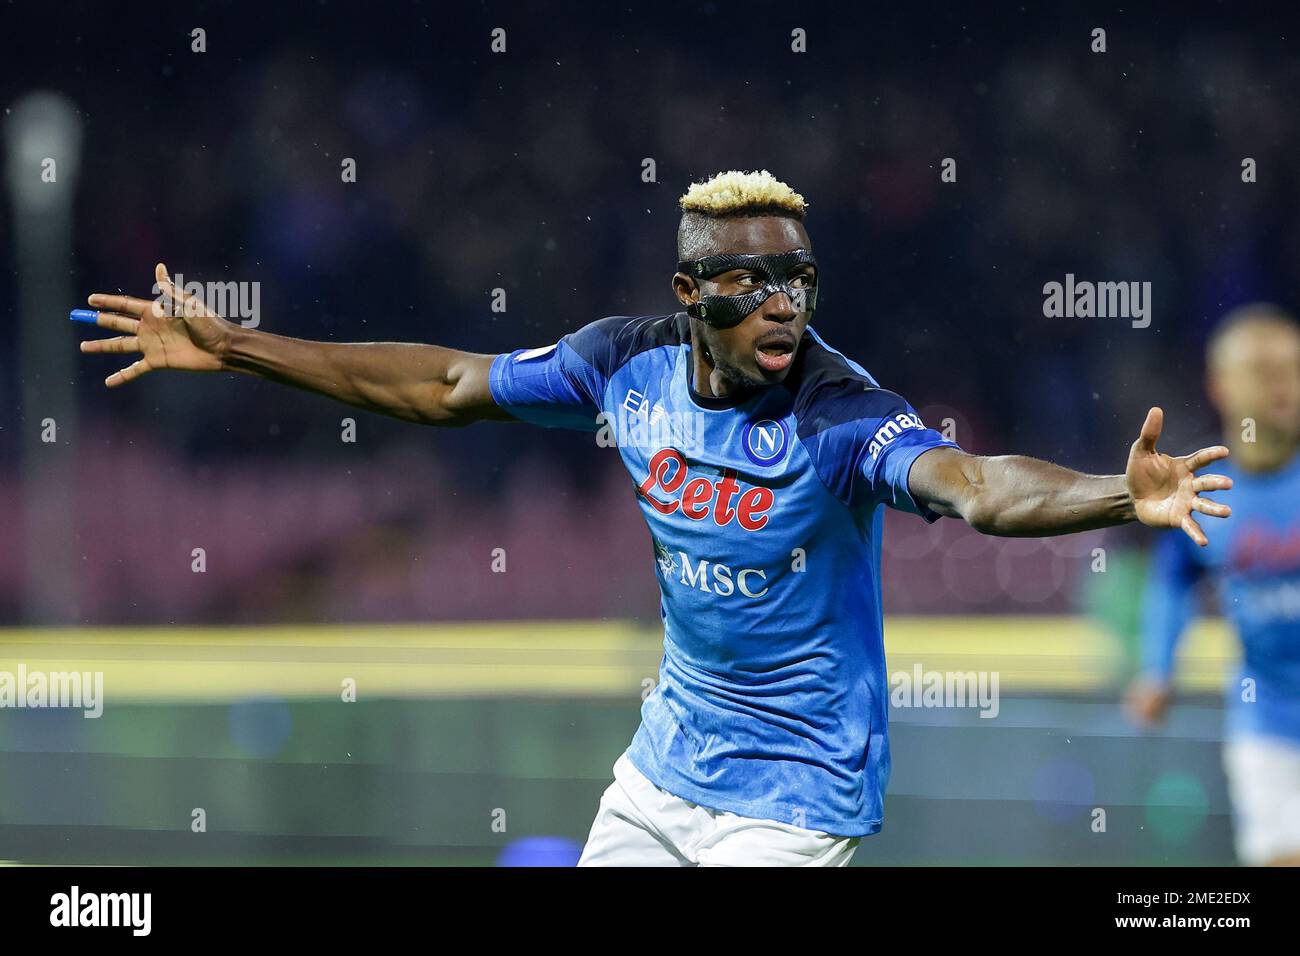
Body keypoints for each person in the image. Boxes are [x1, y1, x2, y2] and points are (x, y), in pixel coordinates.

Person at [75, 169, 1232, 866]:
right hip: (663, 767)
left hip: (796, 794)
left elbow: (977, 487)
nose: (783, 302)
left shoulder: (839, 412)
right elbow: (438, 387)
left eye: (800, 279)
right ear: (690, 296)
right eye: (754, 282)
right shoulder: (621, 364)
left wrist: (1113, 495)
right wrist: (239, 351)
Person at [1126, 304, 1300, 866]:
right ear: (1219, 385)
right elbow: (1173, 582)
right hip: (1267, 718)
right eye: (1262, 371)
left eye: (1291, 369)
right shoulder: (1202, 490)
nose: (1280, 385)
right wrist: (1157, 668)